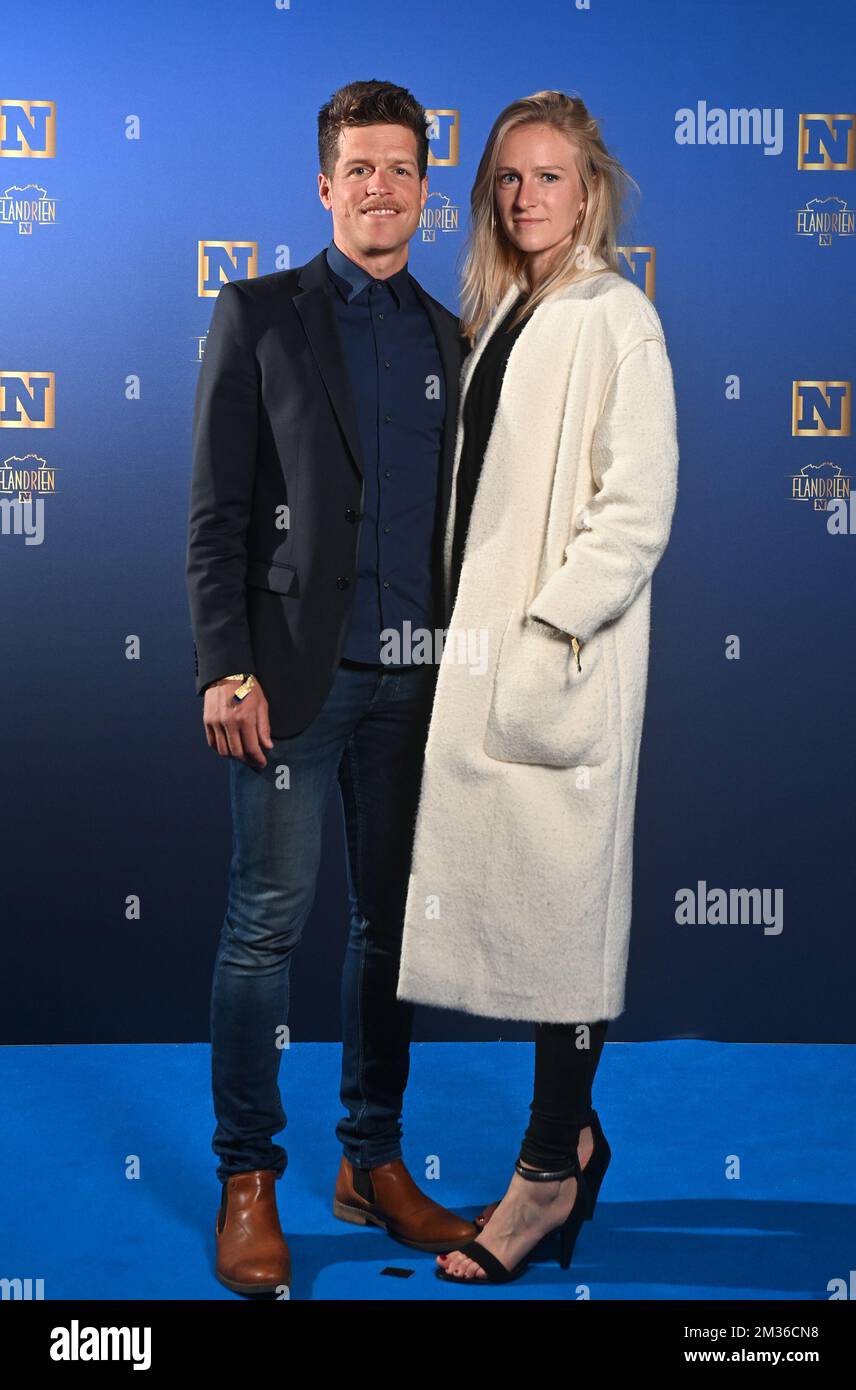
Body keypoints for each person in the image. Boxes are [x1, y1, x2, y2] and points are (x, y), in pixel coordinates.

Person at [186, 78, 477, 1296]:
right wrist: (224, 663)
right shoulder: (257, 314)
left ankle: (371, 1161)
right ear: (323, 185)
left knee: (390, 930)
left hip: (418, 687)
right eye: (358, 167)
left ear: (426, 188)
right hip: (288, 681)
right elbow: (217, 509)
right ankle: (248, 1176)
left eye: (400, 167)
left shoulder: (451, 336)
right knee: (265, 926)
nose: (379, 187)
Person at [395, 90, 680, 1284]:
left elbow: (636, 508)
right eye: (507, 178)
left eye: (548, 176)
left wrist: (545, 628)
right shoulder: (507, 308)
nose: (524, 197)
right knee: (522, 922)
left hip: (556, 668)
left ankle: (543, 1176)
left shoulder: (617, 318)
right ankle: (574, 1138)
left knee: (566, 929)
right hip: (483, 666)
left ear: (590, 190)